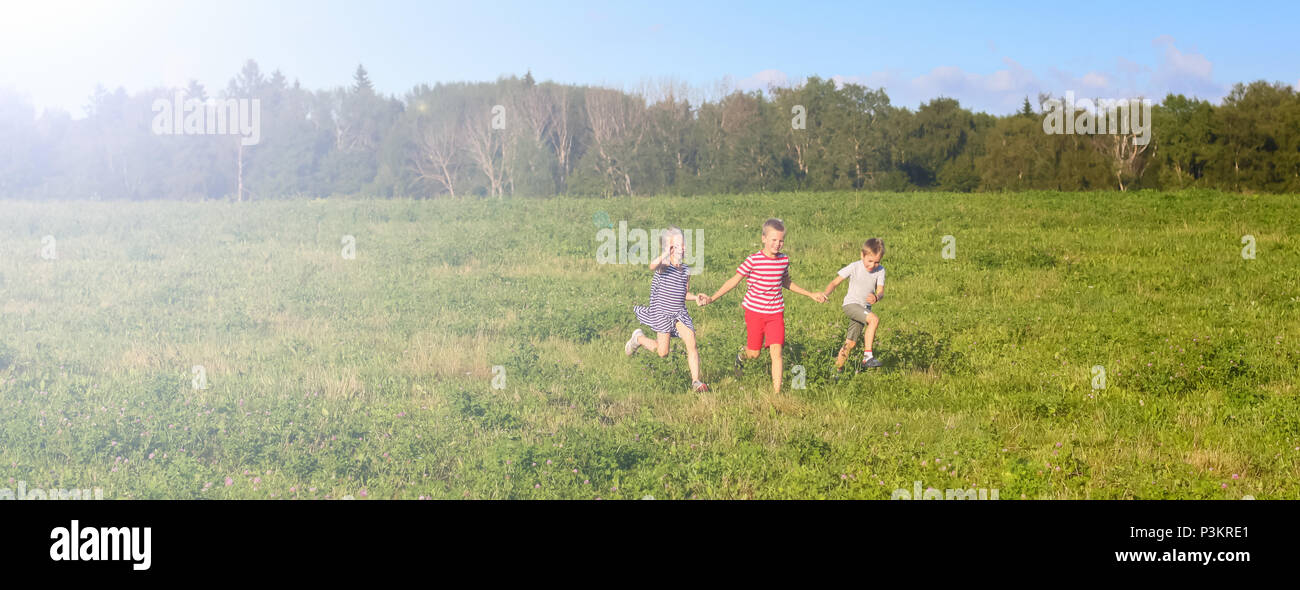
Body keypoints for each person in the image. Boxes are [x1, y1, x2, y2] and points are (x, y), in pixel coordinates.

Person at [703, 218, 826, 394]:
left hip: (776, 313)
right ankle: (741, 355)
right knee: (754, 353)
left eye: (781, 240)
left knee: (777, 352)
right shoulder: (753, 260)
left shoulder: (783, 260)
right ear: (763, 239)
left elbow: (786, 282)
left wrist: (810, 294)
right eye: (773, 240)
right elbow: (734, 281)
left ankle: (776, 394)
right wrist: (712, 298)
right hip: (754, 313)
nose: (777, 244)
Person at [624, 226, 711, 392]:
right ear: (669, 248)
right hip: (662, 313)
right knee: (663, 352)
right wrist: (665, 253)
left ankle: (696, 381)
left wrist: (695, 298)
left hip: (679, 312)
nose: (683, 248)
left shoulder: (686, 269)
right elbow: (651, 265)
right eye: (678, 246)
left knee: (691, 341)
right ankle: (639, 338)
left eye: (683, 245)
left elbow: (683, 293)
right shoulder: (663, 265)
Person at [822, 238, 886, 377]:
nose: (873, 265)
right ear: (862, 255)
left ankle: (835, 372)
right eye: (870, 261)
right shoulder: (854, 266)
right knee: (874, 320)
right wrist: (825, 294)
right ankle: (868, 357)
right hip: (851, 305)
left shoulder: (880, 271)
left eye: (877, 262)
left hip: (864, 309)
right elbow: (835, 282)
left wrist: (877, 297)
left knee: (850, 343)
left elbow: (880, 291)